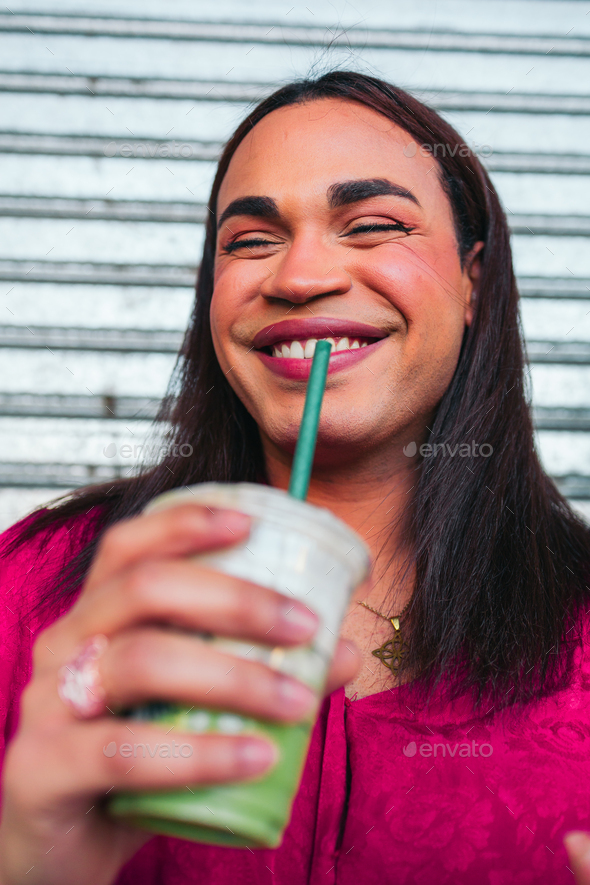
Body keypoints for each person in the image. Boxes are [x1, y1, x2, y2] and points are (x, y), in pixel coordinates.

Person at [1, 70, 590, 885]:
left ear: (472, 281)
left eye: (374, 224)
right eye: (249, 240)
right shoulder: (36, 585)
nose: (301, 276)